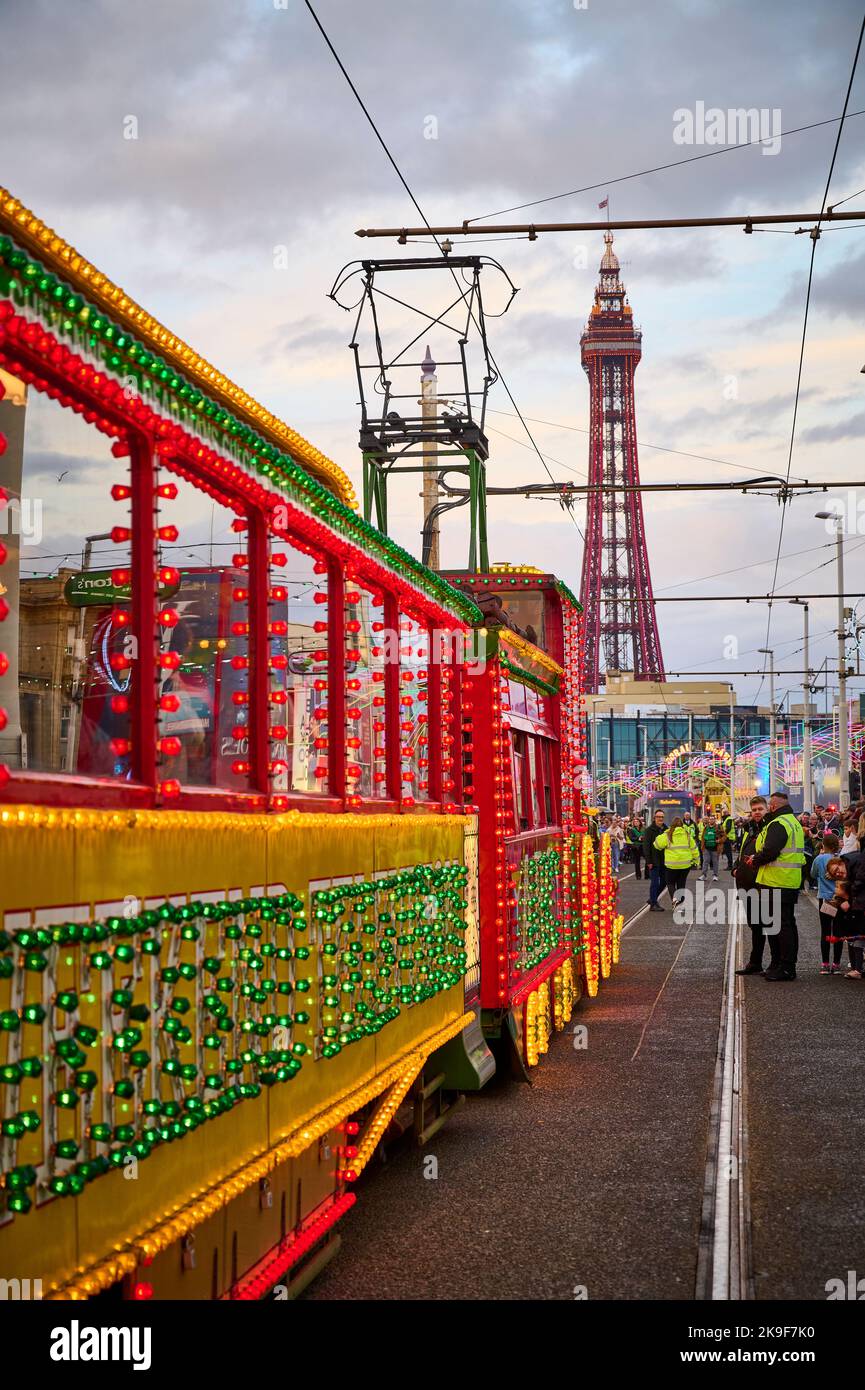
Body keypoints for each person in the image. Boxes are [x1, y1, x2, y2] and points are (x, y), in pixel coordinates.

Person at [746, 787, 806, 982]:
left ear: (772, 806)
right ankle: (783, 964)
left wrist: (755, 860)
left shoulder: (779, 823)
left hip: (777, 880)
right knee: (787, 924)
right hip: (788, 879)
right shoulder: (793, 822)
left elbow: (771, 851)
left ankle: (786, 967)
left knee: (781, 926)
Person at [734, 796, 769, 975]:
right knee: (755, 925)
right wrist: (736, 867)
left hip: (761, 885)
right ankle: (755, 963)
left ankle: (774, 964)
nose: (756, 812)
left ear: (767, 809)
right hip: (746, 885)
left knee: (768, 925)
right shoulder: (750, 828)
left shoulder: (769, 828)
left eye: (760, 809)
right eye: (754, 810)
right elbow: (743, 852)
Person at [810, 833, 844, 973]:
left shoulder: (819, 858)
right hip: (839, 898)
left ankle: (825, 964)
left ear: (823, 845)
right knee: (838, 931)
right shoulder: (841, 858)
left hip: (825, 898)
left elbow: (812, 874)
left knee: (825, 930)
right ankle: (836, 964)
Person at [655, 815, 700, 908]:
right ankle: (680, 902)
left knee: (670, 883)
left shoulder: (668, 834)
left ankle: (675, 899)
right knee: (681, 883)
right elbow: (694, 849)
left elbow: (657, 845)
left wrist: (662, 834)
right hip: (685, 864)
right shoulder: (687, 835)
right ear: (682, 825)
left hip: (672, 864)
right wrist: (697, 861)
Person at [643, 809, 668, 912]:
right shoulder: (649, 830)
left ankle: (652, 898)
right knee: (654, 883)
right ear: (655, 818)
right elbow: (646, 846)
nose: (660, 819)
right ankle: (653, 904)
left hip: (664, 861)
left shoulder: (666, 829)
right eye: (658, 817)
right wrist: (648, 861)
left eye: (662, 817)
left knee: (664, 882)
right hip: (653, 861)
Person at [698, 813, 720, 881]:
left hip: (715, 848)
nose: (711, 820)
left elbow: (724, 836)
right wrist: (702, 845)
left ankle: (715, 875)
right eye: (710, 819)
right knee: (705, 861)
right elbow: (702, 837)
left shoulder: (718, 827)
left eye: (713, 819)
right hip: (706, 848)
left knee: (715, 862)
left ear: (715, 820)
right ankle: (704, 875)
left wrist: (719, 840)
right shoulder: (705, 827)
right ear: (709, 820)